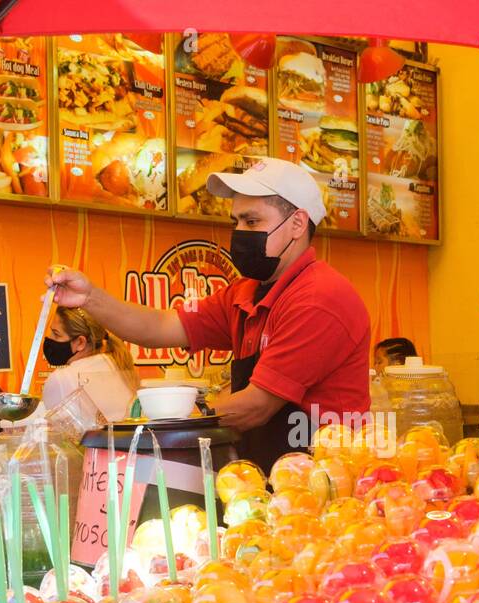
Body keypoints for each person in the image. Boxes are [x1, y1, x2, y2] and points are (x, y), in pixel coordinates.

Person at [45, 158, 371, 472]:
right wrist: (89, 298)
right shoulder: (245, 292)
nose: (240, 232)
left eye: (252, 221)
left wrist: (159, 424)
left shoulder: (318, 298)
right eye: (236, 222)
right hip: (265, 473)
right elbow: (161, 326)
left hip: (324, 481)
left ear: (297, 224)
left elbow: (257, 406)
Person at [40, 305, 140, 421]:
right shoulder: (115, 362)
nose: (49, 338)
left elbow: (55, 435)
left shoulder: (60, 379)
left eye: (56, 334)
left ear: (80, 342)